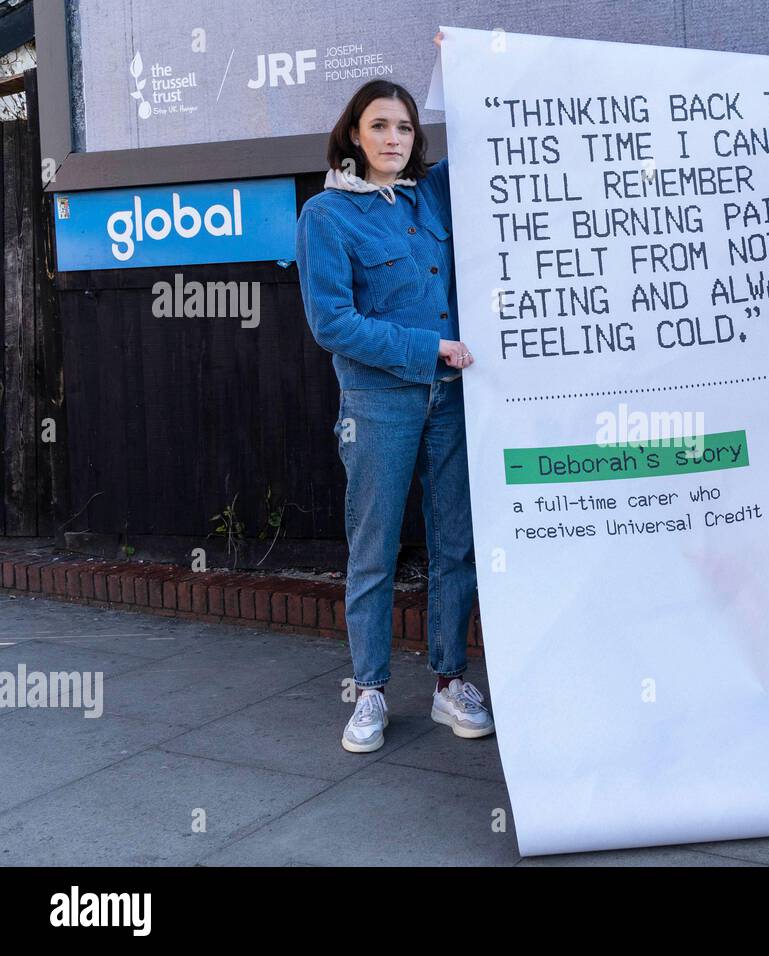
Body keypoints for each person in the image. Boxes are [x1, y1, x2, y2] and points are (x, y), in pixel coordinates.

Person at [294, 66, 494, 753]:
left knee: (455, 545)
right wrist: (427, 348)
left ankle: (449, 685)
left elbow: (494, 139)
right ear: (353, 132)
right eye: (379, 124)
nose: (393, 137)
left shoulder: (430, 196)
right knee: (375, 549)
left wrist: (474, 61)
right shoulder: (325, 214)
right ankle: (371, 691)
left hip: (453, 401)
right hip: (378, 402)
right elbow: (331, 323)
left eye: (405, 126)